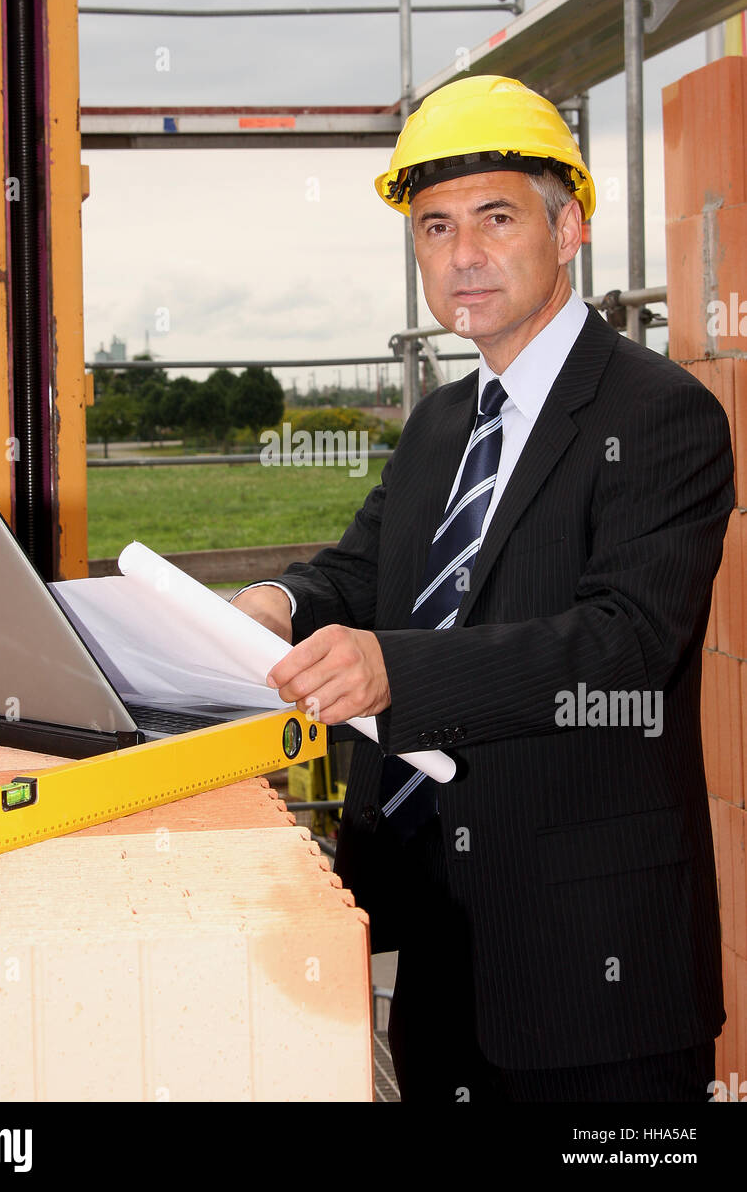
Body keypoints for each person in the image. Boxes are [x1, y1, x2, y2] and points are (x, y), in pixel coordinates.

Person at [231, 74, 734, 1103]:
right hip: (438, 941)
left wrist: (392, 671)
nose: (460, 255)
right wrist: (280, 603)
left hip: (593, 973)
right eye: (433, 228)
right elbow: (364, 570)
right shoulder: (439, 424)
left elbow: (623, 644)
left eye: (494, 218)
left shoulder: (657, 414)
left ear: (570, 226)